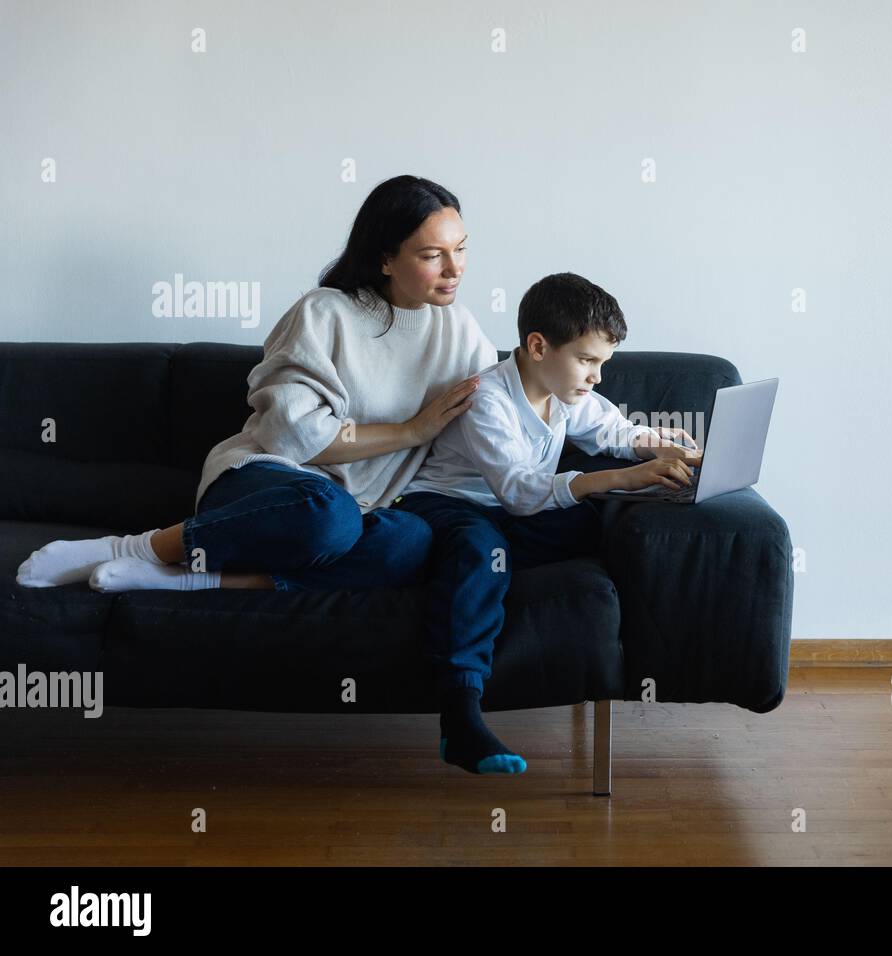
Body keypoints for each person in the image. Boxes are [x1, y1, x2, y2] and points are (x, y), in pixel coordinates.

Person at [16, 175, 498, 593]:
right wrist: (412, 431)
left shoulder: (463, 333)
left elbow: (499, 412)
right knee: (328, 512)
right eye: (433, 255)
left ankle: (196, 579)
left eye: (461, 248)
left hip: (356, 515)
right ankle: (137, 547)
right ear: (386, 260)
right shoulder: (326, 313)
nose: (455, 269)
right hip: (268, 483)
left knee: (409, 542)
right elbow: (292, 435)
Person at [392, 272, 700, 775]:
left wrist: (669, 449)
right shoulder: (486, 399)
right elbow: (516, 488)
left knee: (604, 511)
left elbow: (613, 429)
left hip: (513, 512)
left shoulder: (563, 392)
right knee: (480, 553)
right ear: (538, 346)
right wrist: (621, 477)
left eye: (602, 362)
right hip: (449, 505)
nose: (596, 376)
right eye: (587, 360)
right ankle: (461, 719)